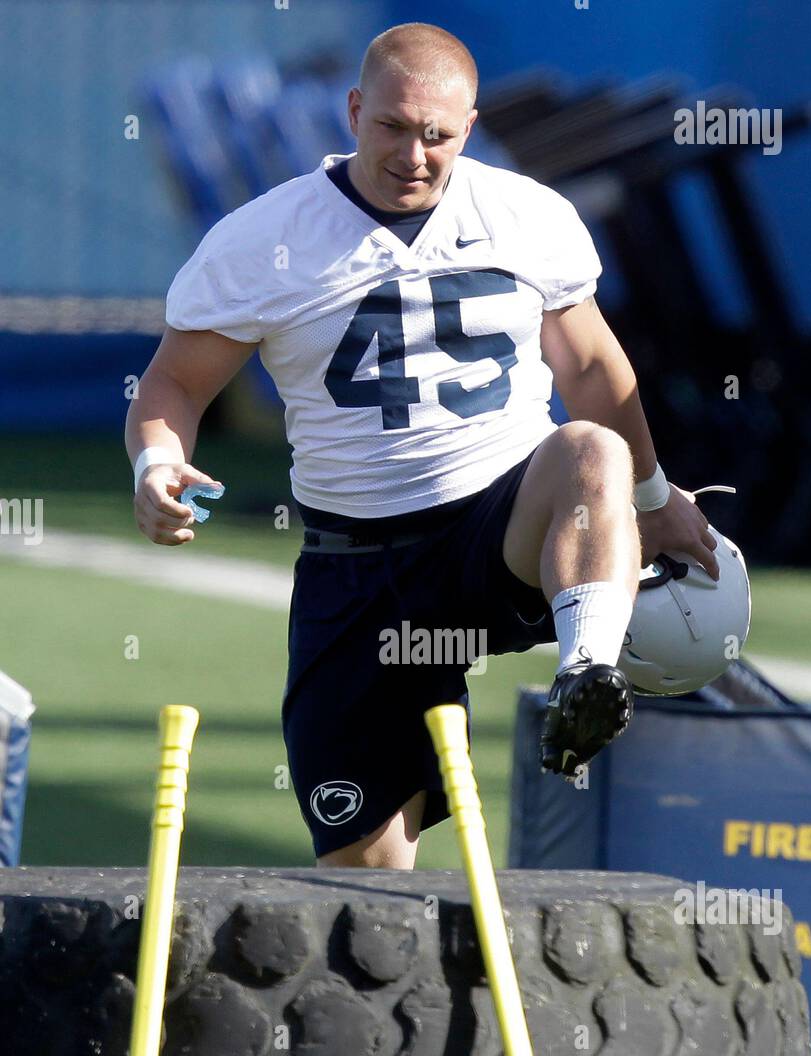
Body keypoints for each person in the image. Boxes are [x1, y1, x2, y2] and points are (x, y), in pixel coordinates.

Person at [126, 22, 718, 870]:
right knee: (365, 887)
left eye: (436, 135)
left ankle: (587, 673)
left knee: (588, 449)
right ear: (355, 110)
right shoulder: (264, 238)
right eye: (393, 128)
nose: (413, 153)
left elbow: (589, 365)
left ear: (468, 127)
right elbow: (173, 385)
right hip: (361, 562)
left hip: (496, 523)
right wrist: (157, 462)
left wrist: (656, 501)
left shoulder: (523, 213)